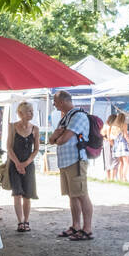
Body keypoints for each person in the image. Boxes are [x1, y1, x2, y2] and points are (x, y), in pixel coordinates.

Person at [49, 90, 94, 240]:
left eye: (55, 102)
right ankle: (76, 226)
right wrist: (56, 137)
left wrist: (57, 136)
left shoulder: (78, 116)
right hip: (66, 161)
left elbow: (62, 139)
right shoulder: (65, 118)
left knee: (81, 194)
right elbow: (52, 139)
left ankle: (87, 229)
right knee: (72, 195)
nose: (54, 105)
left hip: (76, 160)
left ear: (62, 101)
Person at [6, 101, 39, 231]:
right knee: (17, 193)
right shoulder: (13, 127)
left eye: (32, 111)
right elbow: (8, 147)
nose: (32, 113)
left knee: (27, 194)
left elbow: (36, 149)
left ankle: (26, 220)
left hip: (29, 165)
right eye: (29, 111)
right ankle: (20, 222)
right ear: (20, 113)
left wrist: (26, 163)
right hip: (14, 164)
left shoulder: (35, 129)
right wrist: (18, 164)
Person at [109, 112, 129, 182]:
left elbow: (111, 137)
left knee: (121, 162)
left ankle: (121, 177)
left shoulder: (113, 126)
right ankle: (124, 177)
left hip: (116, 145)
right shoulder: (124, 124)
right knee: (126, 162)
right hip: (123, 144)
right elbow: (125, 135)